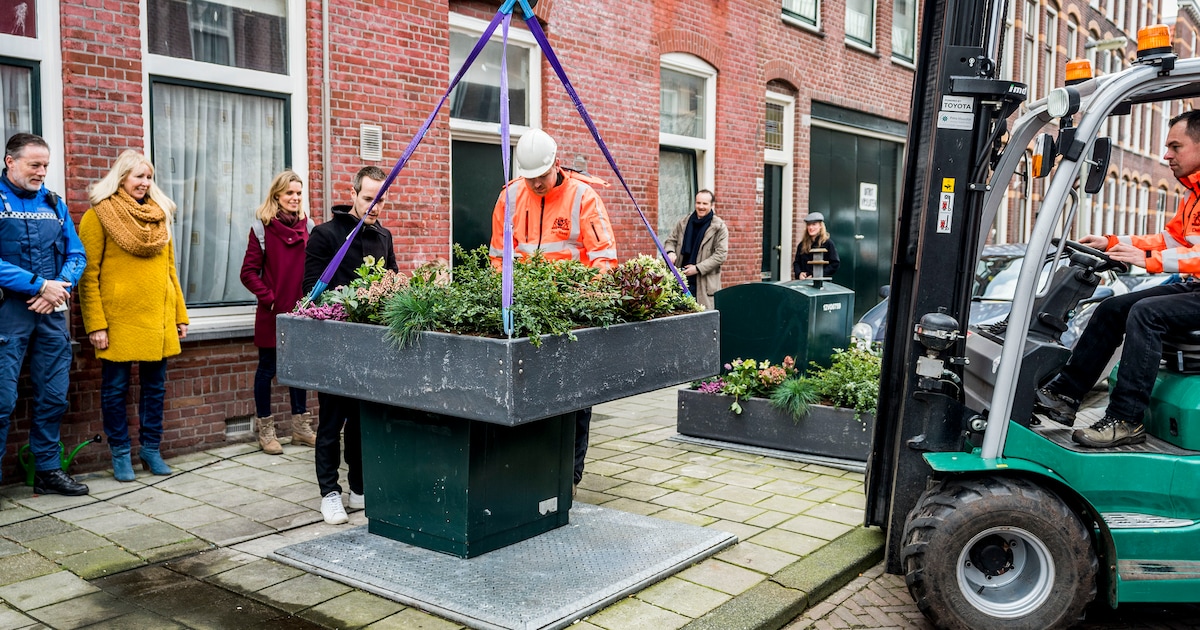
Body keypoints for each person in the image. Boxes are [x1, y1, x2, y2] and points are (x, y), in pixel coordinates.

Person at [1034, 110, 1200, 448]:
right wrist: (1113, 243)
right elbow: (1170, 241)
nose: (1166, 155)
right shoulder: (1193, 195)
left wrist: (1149, 261)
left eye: (1175, 146)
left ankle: (1126, 418)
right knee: (1112, 308)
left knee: (1146, 313)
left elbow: (1168, 252)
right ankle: (1064, 396)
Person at [489, 129, 617, 496]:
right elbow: (500, 257)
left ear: (556, 165)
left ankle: (569, 476)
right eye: (530, 179)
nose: (536, 185)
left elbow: (603, 258)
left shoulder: (583, 198)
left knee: (576, 398)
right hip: (528, 310)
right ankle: (533, 468)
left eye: (541, 178)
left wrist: (588, 299)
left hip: (571, 312)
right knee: (531, 394)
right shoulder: (510, 196)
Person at [79, 150, 189, 481]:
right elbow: (88, 276)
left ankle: (151, 450)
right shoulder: (98, 216)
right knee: (115, 389)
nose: (144, 183)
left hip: (158, 318)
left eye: (149, 177)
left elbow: (171, 271)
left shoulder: (160, 217)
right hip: (118, 321)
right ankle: (121, 454)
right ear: (122, 177)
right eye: (138, 176)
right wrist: (95, 324)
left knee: (155, 389)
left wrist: (179, 315)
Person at [303, 165, 396, 524]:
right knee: (331, 420)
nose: (374, 206)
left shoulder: (384, 237)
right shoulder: (325, 235)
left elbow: (393, 281)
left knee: (361, 420)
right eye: (368, 198)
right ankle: (329, 493)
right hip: (335, 346)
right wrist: (352, 300)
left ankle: (359, 487)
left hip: (369, 346)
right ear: (353, 193)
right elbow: (310, 288)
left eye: (380, 199)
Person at [0, 133, 89, 496]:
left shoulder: (54, 202)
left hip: (51, 311)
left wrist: (58, 288)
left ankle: (48, 470)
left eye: (46, 166)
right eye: (34, 165)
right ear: (10, 161)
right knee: (2, 401)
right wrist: (38, 285)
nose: (42, 172)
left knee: (54, 395)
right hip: (8, 311)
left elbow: (77, 254)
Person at [240, 170, 315, 455]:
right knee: (267, 370)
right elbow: (247, 273)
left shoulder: (309, 228)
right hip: (272, 314)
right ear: (277, 196)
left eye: (298, 193)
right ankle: (266, 431)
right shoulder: (262, 228)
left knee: (299, 370)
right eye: (290, 193)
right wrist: (269, 298)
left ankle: (300, 428)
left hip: (301, 313)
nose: (295, 198)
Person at [663, 189, 728, 309]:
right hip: (681, 280)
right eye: (698, 203)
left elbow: (721, 255)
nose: (701, 206)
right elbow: (670, 241)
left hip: (703, 284)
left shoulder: (719, 227)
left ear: (712, 205)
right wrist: (670, 252)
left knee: (703, 322)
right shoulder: (683, 223)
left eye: (705, 204)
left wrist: (697, 268)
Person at [793, 212, 840, 280]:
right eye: (809, 225)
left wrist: (818, 275)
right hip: (804, 283)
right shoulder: (802, 245)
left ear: (820, 226)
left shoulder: (828, 243)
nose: (811, 227)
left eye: (814, 224)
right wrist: (799, 273)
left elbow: (835, 263)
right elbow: (796, 263)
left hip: (822, 283)